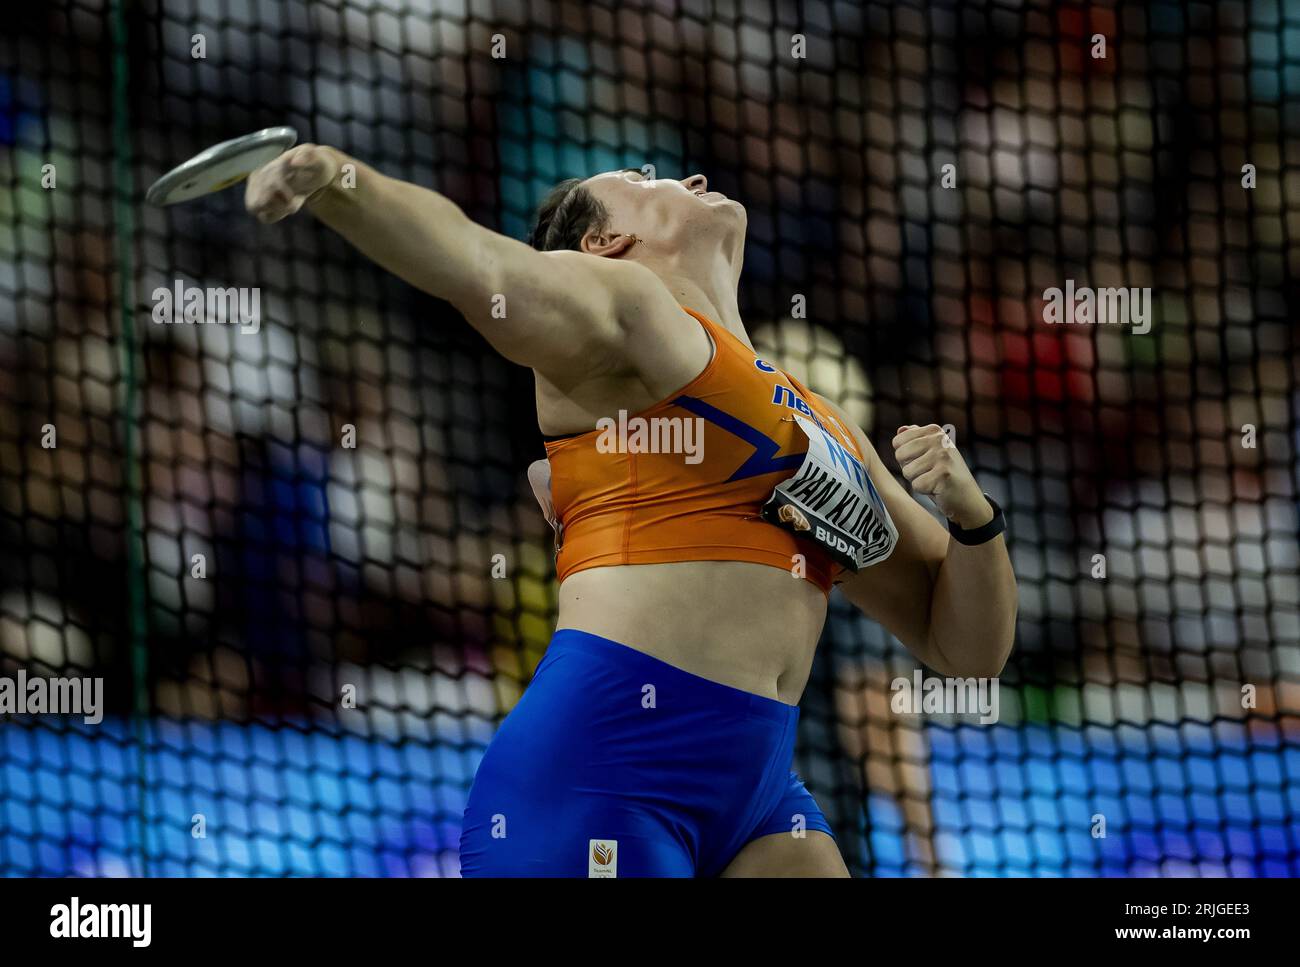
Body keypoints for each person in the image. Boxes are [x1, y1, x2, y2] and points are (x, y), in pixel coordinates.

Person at [245, 150, 1018, 877]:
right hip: (603, 772)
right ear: (604, 242)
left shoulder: (823, 426)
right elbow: (472, 260)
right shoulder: (630, 313)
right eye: (647, 178)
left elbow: (966, 648)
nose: (691, 175)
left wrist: (972, 515)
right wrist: (341, 180)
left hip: (758, 800)